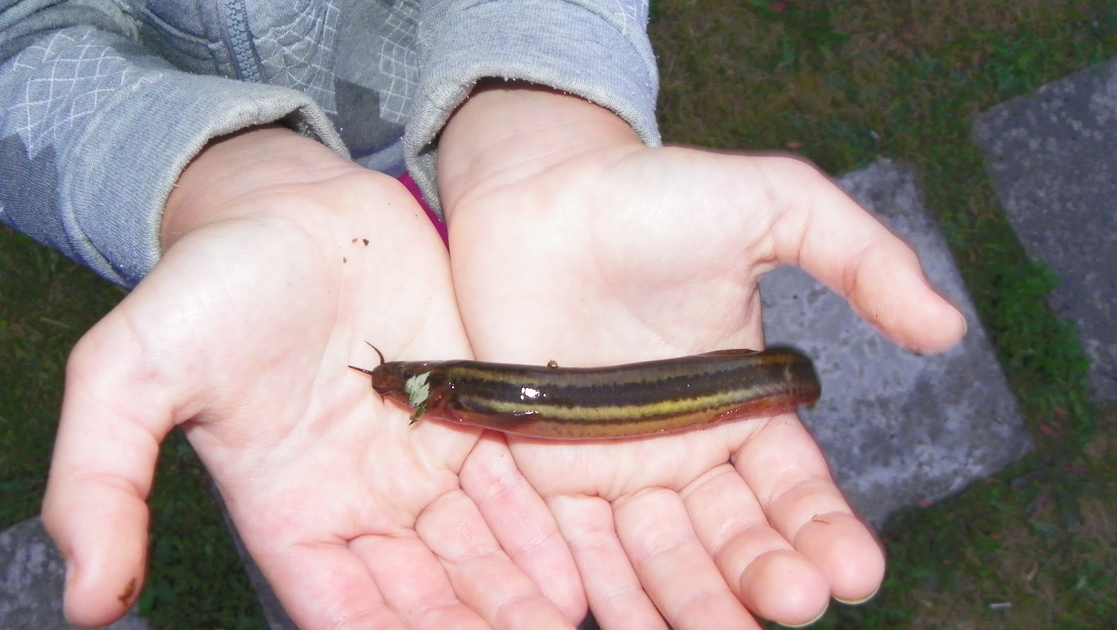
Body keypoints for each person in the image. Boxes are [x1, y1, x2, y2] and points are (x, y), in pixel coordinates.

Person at [2, 2, 966, 629]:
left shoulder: (461, 387)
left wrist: (535, 101)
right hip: (276, 190)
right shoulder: (444, 386)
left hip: (464, 139)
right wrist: (213, 174)